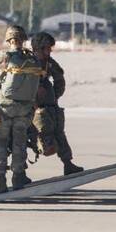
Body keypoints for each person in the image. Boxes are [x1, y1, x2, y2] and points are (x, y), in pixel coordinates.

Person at [0, 25, 43, 192]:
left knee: (0, 144)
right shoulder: (32, 59)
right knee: (19, 143)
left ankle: (1, 182)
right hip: (24, 109)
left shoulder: (4, 57)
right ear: (23, 39)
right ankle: (17, 178)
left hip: (4, 108)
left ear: (9, 39)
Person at [30, 31, 83, 176]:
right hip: (33, 109)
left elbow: (60, 79)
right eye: (47, 48)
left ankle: (68, 164)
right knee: (42, 140)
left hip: (51, 107)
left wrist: (53, 96)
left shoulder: (49, 63)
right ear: (38, 48)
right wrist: (34, 99)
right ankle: (19, 173)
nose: (49, 51)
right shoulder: (27, 63)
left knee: (60, 134)